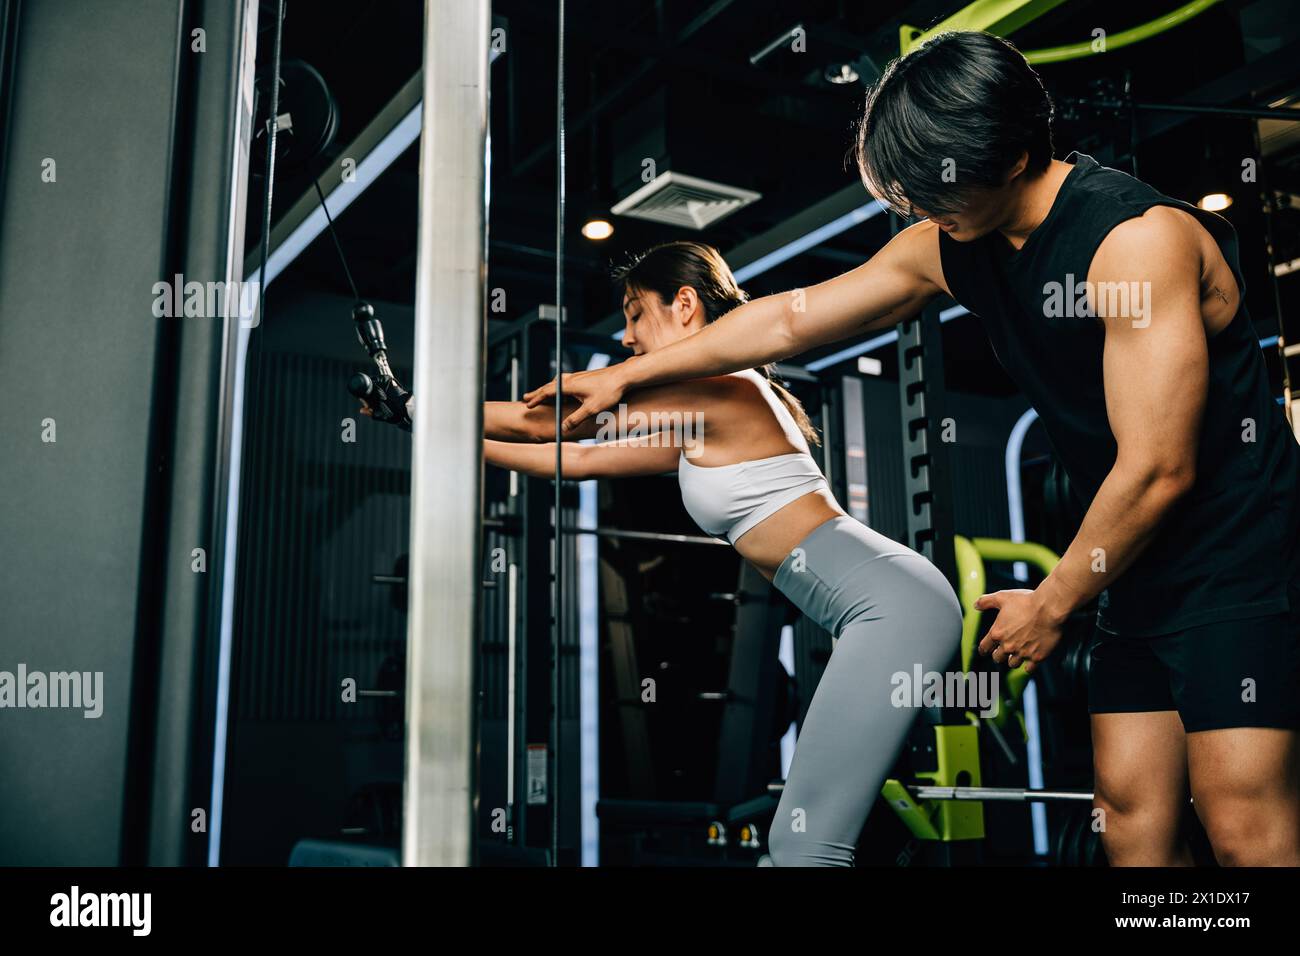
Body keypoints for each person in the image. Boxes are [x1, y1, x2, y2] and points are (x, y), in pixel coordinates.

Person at [523, 31, 1300, 866]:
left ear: (1004, 161)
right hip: (1134, 570)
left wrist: (1053, 601)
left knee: (1239, 818)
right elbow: (789, 317)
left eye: (932, 187)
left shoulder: (1133, 245)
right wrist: (623, 382)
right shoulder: (951, 242)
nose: (918, 209)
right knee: (1129, 813)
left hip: (1237, 558)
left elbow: (1159, 469)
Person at [480, 240, 961, 866]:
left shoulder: (725, 388)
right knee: (798, 842)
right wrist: (445, 436)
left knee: (804, 842)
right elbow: (579, 460)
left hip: (893, 609)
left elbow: (553, 424)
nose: (625, 338)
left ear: (684, 304)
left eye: (634, 313)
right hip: (885, 608)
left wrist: (423, 406)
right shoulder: (700, 411)